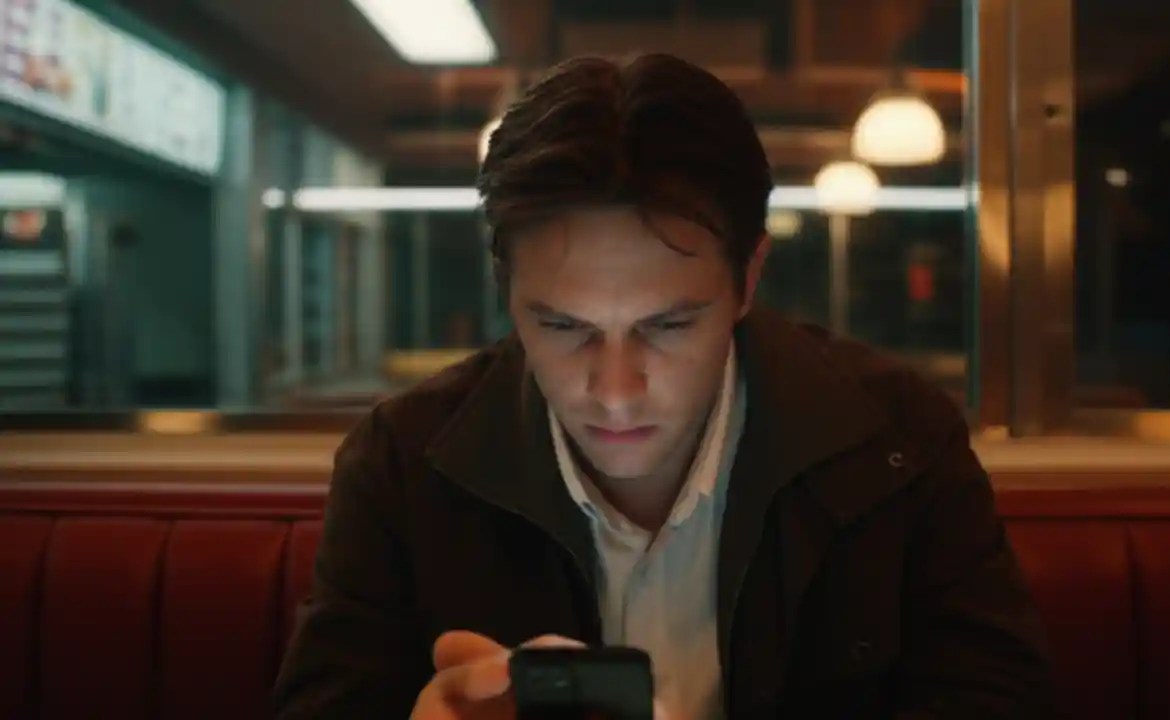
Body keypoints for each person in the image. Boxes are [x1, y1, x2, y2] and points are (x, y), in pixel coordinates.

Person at [273, 53, 1054, 719]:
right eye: (564, 326)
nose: (615, 391)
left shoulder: (899, 441)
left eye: (670, 325)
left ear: (748, 279)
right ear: (505, 291)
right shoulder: (401, 462)